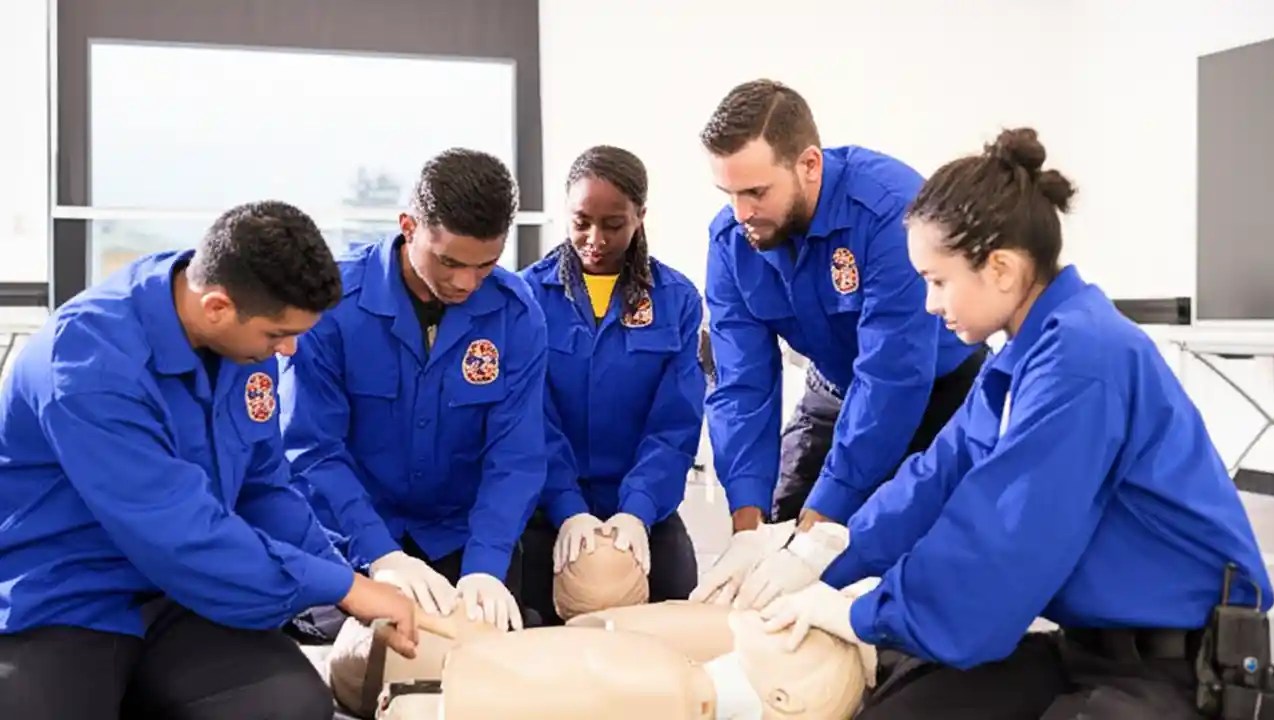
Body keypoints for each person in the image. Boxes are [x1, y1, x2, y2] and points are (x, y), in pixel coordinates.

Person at [757, 128, 1274, 719]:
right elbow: (937, 476)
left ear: (1001, 269)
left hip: (1178, 672)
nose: (930, 304)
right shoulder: (1023, 357)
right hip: (1087, 647)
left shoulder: (1083, 358)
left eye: (937, 281)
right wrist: (823, 557)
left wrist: (859, 614)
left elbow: (1004, 540)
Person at [0, 201, 419, 720]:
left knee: (292, 704)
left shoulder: (241, 341)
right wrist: (346, 588)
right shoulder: (87, 363)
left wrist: (348, 583)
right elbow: (179, 533)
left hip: (180, 599)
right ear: (217, 306)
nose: (289, 350)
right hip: (66, 595)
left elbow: (263, 488)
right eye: (277, 334)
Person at [690, 78, 988, 606]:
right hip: (835, 387)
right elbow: (741, 386)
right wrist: (747, 529)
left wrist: (818, 534)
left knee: (898, 559)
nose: (740, 213)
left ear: (809, 164)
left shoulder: (891, 213)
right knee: (778, 541)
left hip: (941, 391)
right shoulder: (733, 240)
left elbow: (891, 376)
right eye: (728, 194)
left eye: (756, 192)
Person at [279, 148, 546, 634]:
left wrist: (487, 565)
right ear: (408, 226)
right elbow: (313, 449)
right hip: (348, 532)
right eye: (449, 262)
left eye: (485, 265)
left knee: (482, 638)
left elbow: (516, 455)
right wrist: (380, 554)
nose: (466, 283)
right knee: (363, 640)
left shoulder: (517, 314)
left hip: (458, 536)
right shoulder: (333, 306)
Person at [518, 145, 705, 625]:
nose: (595, 239)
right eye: (581, 222)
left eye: (614, 224)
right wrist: (567, 508)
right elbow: (530, 419)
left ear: (640, 217)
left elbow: (674, 424)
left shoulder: (677, 300)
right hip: (546, 506)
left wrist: (638, 511)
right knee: (531, 616)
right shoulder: (526, 298)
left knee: (676, 600)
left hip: (640, 508)